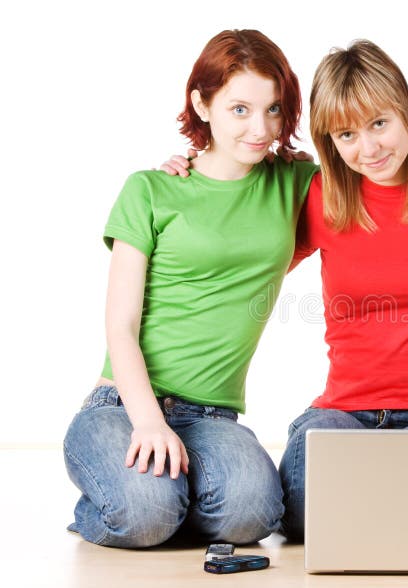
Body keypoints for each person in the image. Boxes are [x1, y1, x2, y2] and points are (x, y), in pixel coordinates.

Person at [62, 29, 319, 548]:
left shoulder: (294, 182)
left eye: (273, 110)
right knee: (145, 516)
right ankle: (119, 504)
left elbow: (377, 173)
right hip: (123, 403)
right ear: (202, 104)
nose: (260, 127)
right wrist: (149, 422)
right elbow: (120, 325)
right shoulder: (151, 188)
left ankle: (170, 499)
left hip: (211, 415)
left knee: (253, 517)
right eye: (240, 109)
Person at [276, 40, 408, 542]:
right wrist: (187, 167)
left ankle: (379, 524)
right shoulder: (320, 197)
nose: (368, 149)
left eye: (379, 124)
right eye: (346, 133)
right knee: (303, 511)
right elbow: (237, 218)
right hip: (341, 413)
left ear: (405, 113)